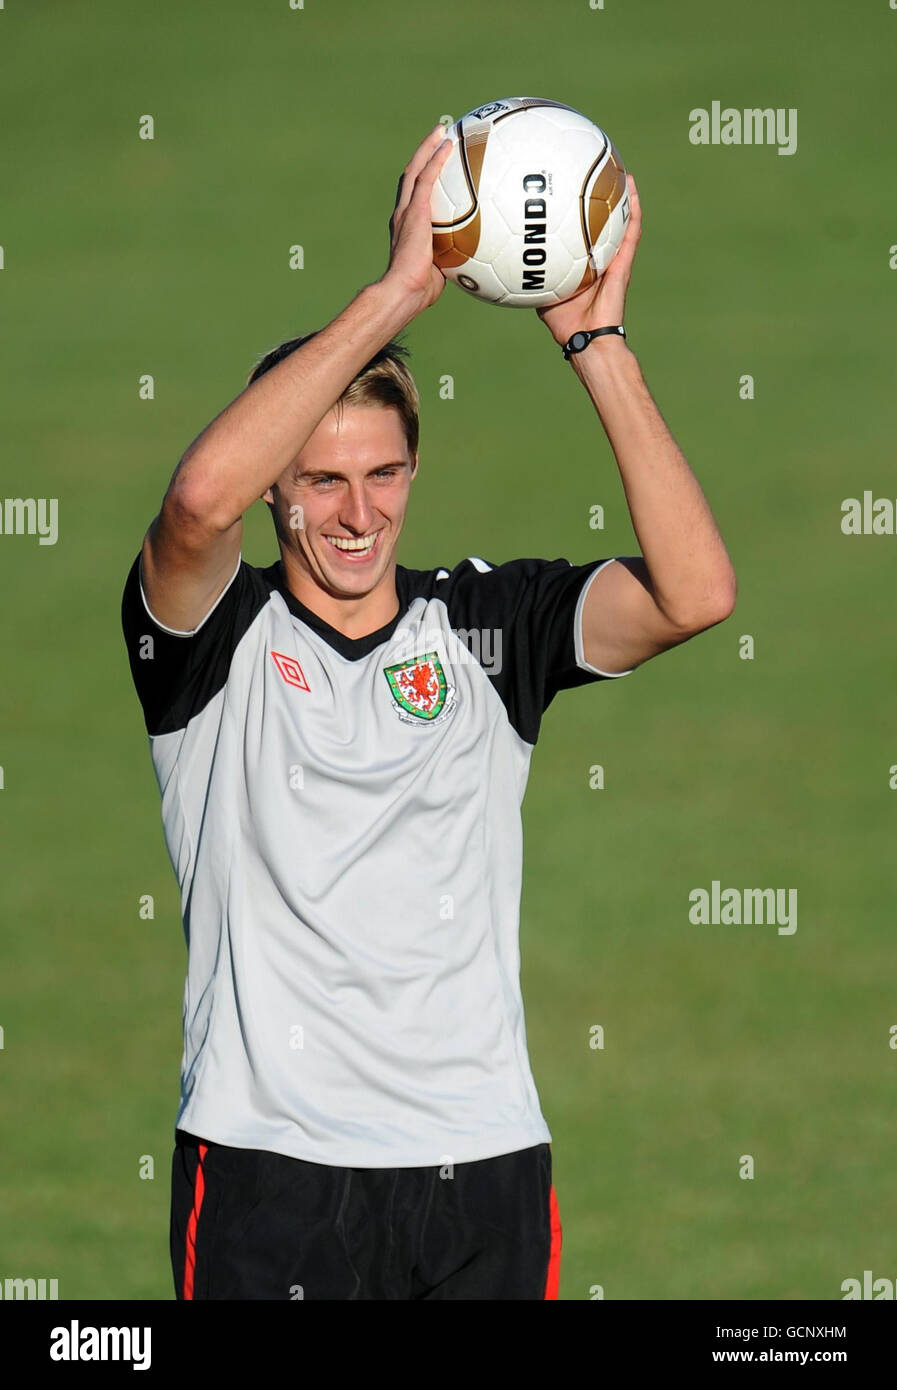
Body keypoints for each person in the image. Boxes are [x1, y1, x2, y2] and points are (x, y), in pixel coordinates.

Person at [121, 123, 736, 1301]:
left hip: (482, 1168)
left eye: (386, 473)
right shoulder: (210, 646)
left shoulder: (489, 627)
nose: (359, 513)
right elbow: (197, 503)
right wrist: (401, 291)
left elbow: (697, 591)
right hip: (269, 1173)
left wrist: (598, 343)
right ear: (278, 495)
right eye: (321, 480)